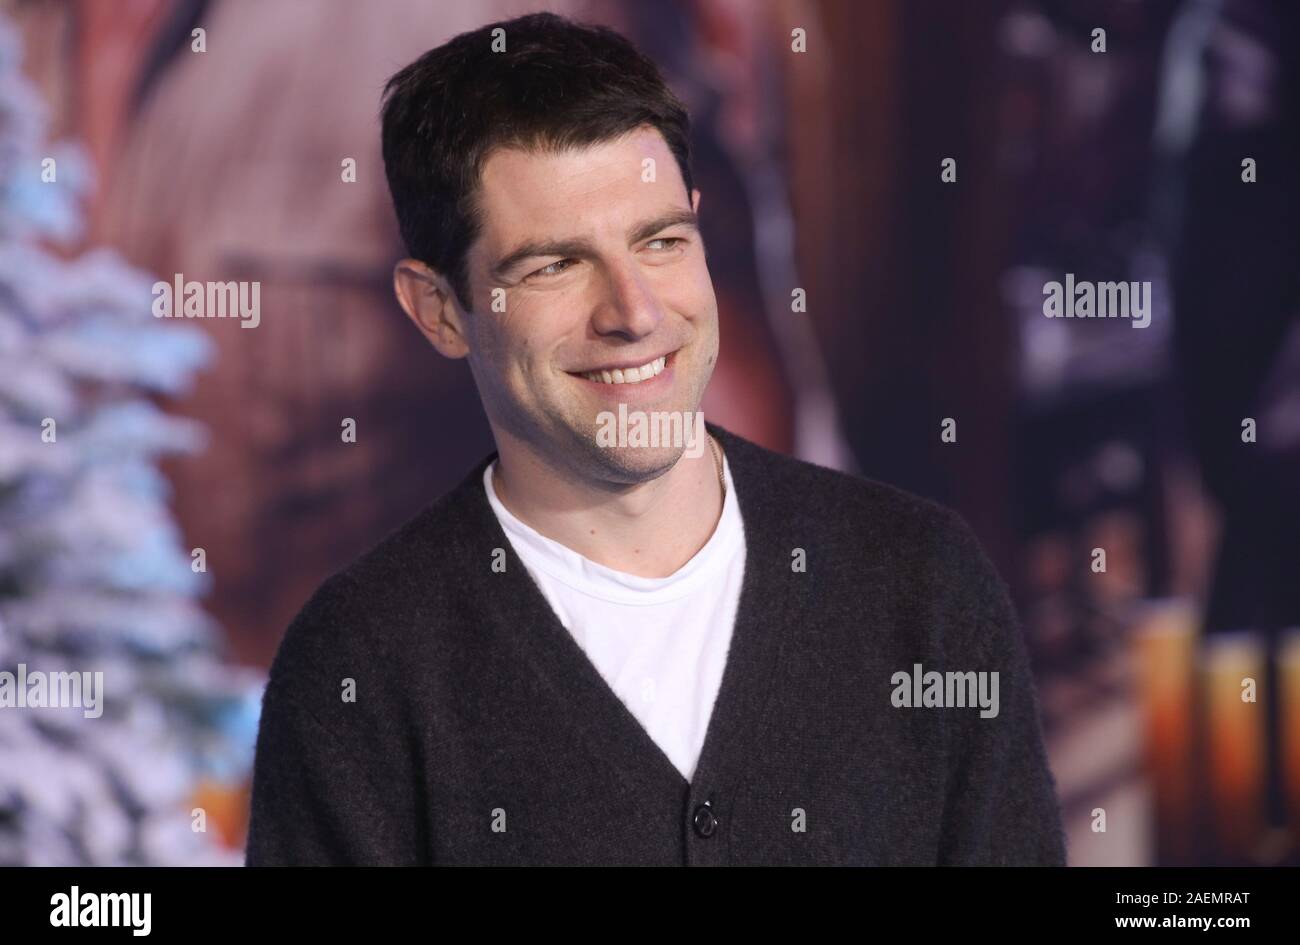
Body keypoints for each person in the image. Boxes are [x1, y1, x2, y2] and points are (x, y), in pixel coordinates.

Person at [245, 11, 1066, 866]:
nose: (634, 312)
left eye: (662, 241)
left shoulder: (921, 585)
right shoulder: (359, 667)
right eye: (554, 264)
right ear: (439, 310)